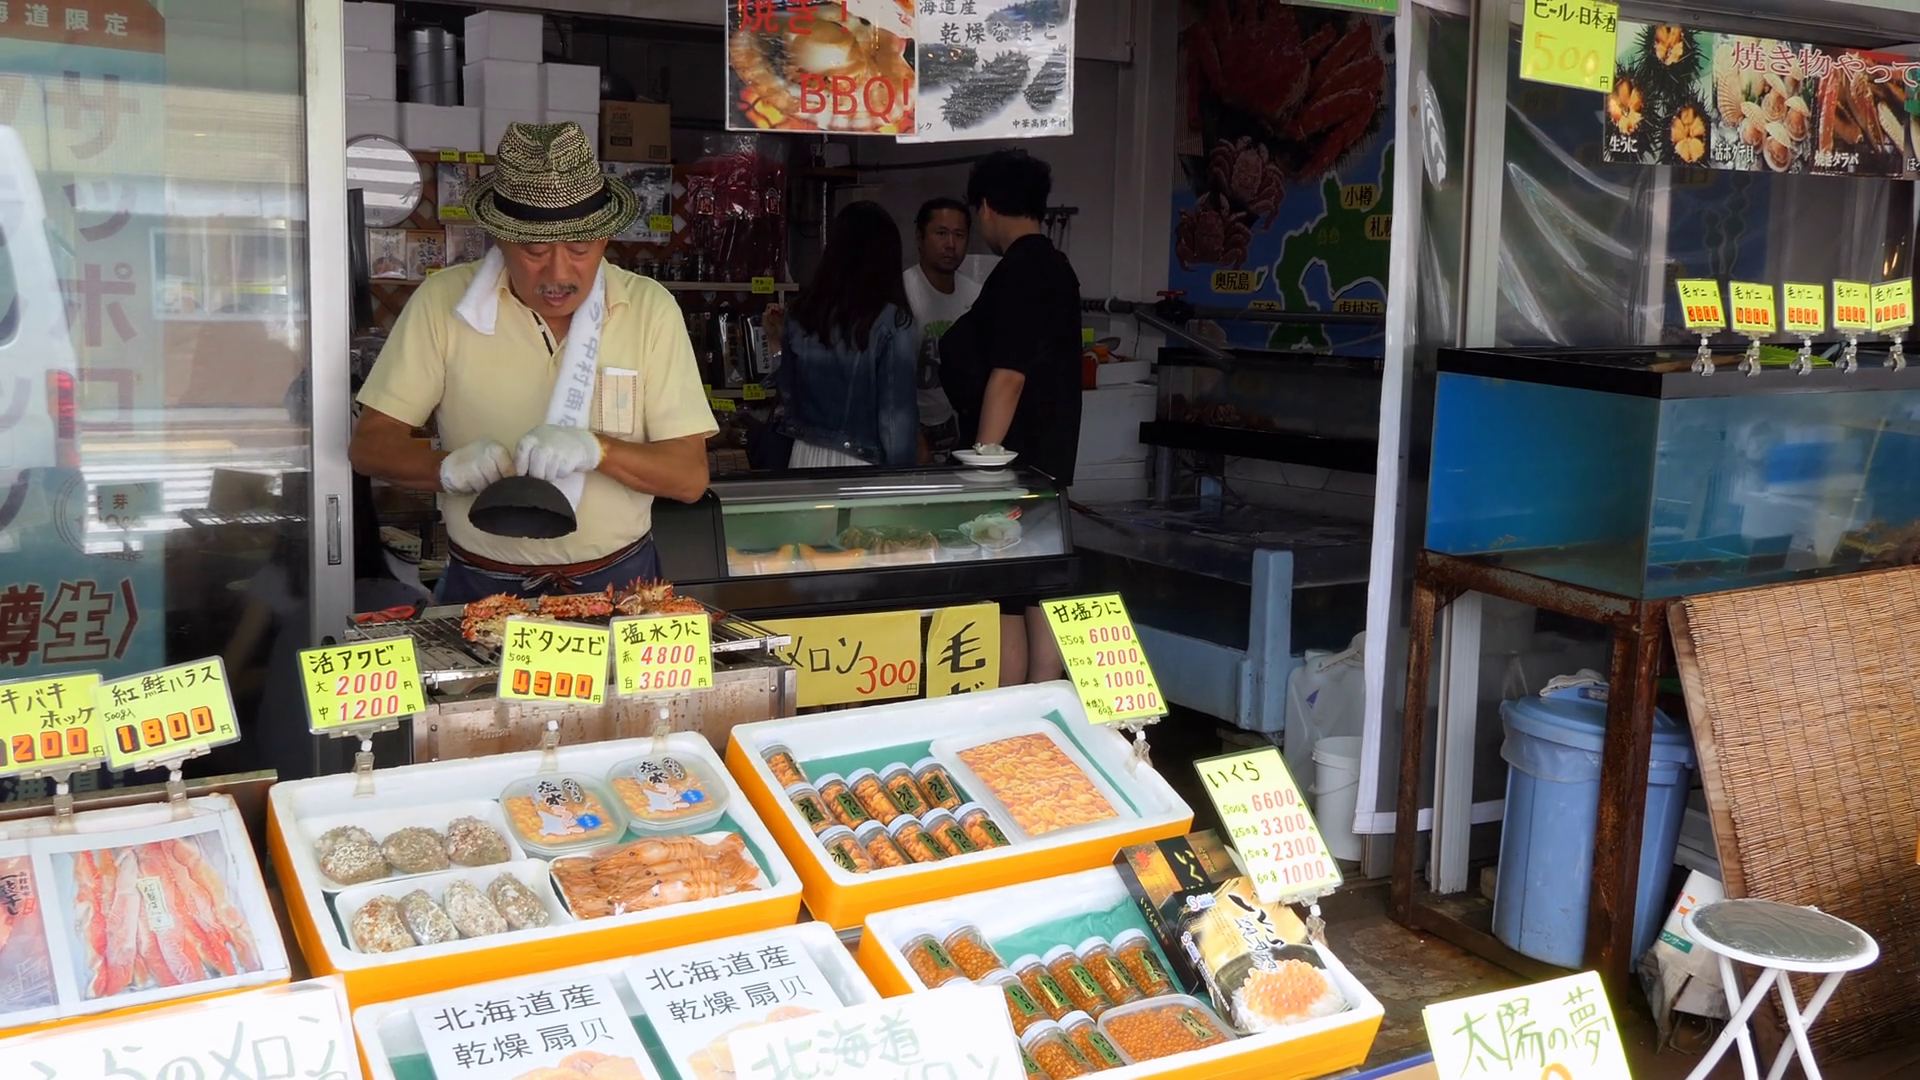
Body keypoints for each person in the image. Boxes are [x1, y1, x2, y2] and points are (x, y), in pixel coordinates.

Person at [348, 121, 716, 603]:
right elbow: (370, 447)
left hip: (620, 584)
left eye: (580, 250)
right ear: (500, 238)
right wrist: (447, 469)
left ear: (604, 239)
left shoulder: (648, 309)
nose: (559, 274)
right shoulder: (443, 302)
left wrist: (598, 450)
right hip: (482, 585)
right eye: (535, 251)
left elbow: (689, 479)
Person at [938, 149, 1084, 684]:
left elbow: (1009, 377)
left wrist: (984, 465)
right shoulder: (1059, 269)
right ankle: (1045, 720)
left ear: (986, 207)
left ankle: (1012, 722)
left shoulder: (1021, 271)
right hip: (1050, 464)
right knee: (1040, 588)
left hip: (1013, 470)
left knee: (1003, 597)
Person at [764, 200, 919, 468]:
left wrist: (776, 344)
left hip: (803, 456)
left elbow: (788, 397)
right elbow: (896, 421)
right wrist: (903, 480)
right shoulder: (892, 321)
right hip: (862, 464)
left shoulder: (801, 312)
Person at [902, 197, 979, 461]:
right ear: (920, 238)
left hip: (958, 424)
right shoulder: (902, 292)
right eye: (941, 233)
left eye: (959, 235)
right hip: (908, 423)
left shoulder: (976, 295)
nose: (950, 245)